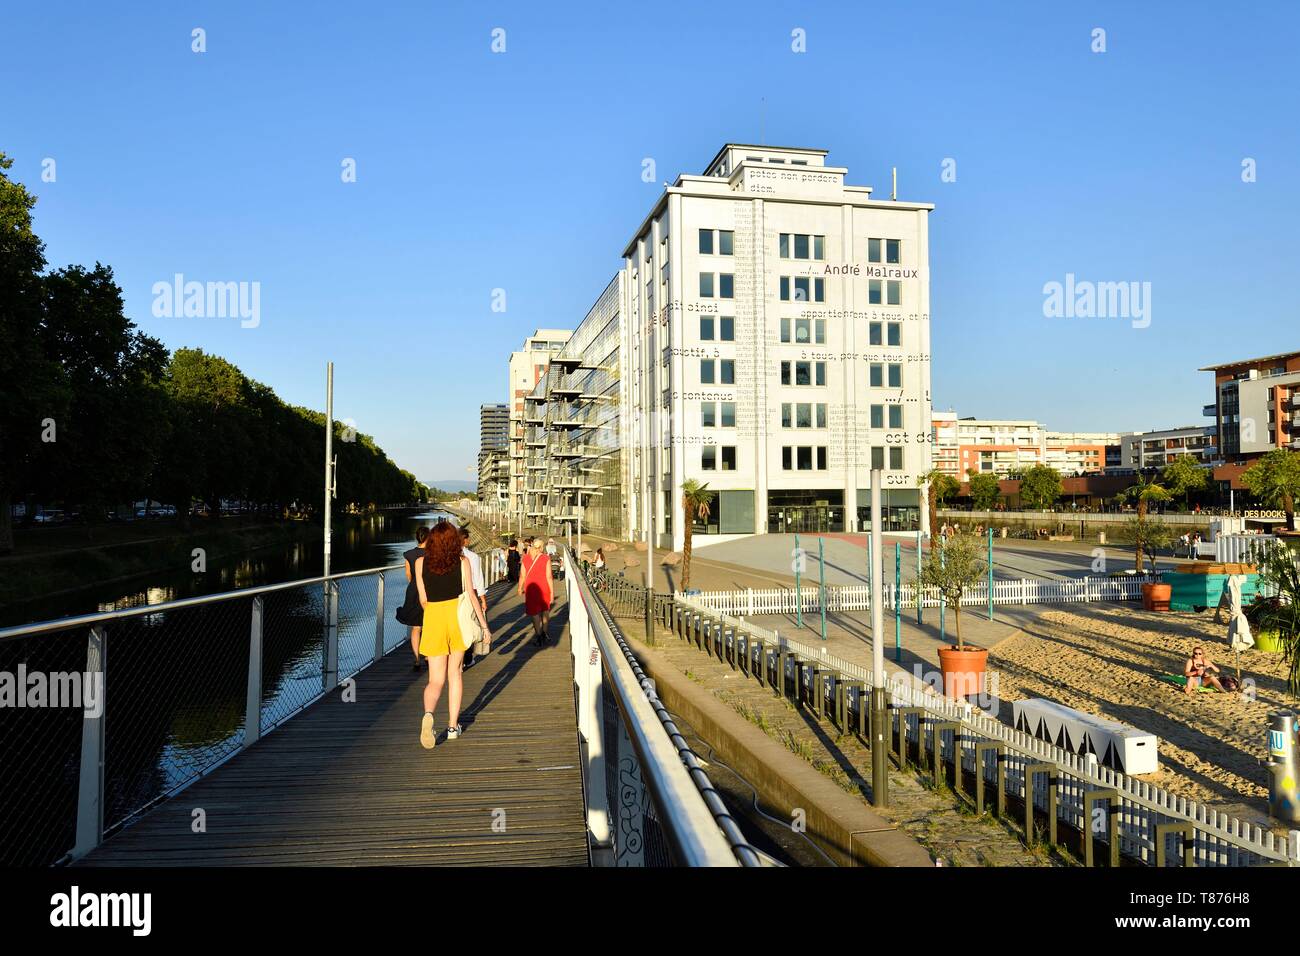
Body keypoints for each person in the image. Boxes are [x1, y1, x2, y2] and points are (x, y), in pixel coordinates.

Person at [415, 522, 492, 748]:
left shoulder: (420, 563)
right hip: (457, 620)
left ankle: (428, 714)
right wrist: (484, 626)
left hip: (433, 620)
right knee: (455, 674)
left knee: (435, 680)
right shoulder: (462, 562)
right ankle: (452, 727)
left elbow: (423, 600)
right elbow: (471, 594)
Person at [399, 526, 430, 671]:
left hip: (413, 591)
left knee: (416, 627)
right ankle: (429, 656)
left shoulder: (409, 554)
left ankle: (416, 659)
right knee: (429, 625)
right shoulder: (432, 554)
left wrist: (414, 583)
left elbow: (408, 575)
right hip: (429, 590)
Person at [459, 525, 488, 669]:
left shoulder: (449, 557)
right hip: (471, 595)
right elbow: (478, 579)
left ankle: (459, 658)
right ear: (464, 540)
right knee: (470, 624)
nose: (469, 541)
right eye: (468, 538)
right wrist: (483, 599)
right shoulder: (472, 557)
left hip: (455, 597)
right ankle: (467, 657)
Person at [519, 536, 554, 646]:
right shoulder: (546, 558)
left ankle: (538, 635)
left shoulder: (525, 558)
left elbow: (522, 576)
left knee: (534, 613)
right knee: (545, 611)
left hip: (531, 589)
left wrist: (519, 588)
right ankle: (544, 633)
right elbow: (549, 576)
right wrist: (552, 592)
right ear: (542, 547)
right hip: (543, 588)